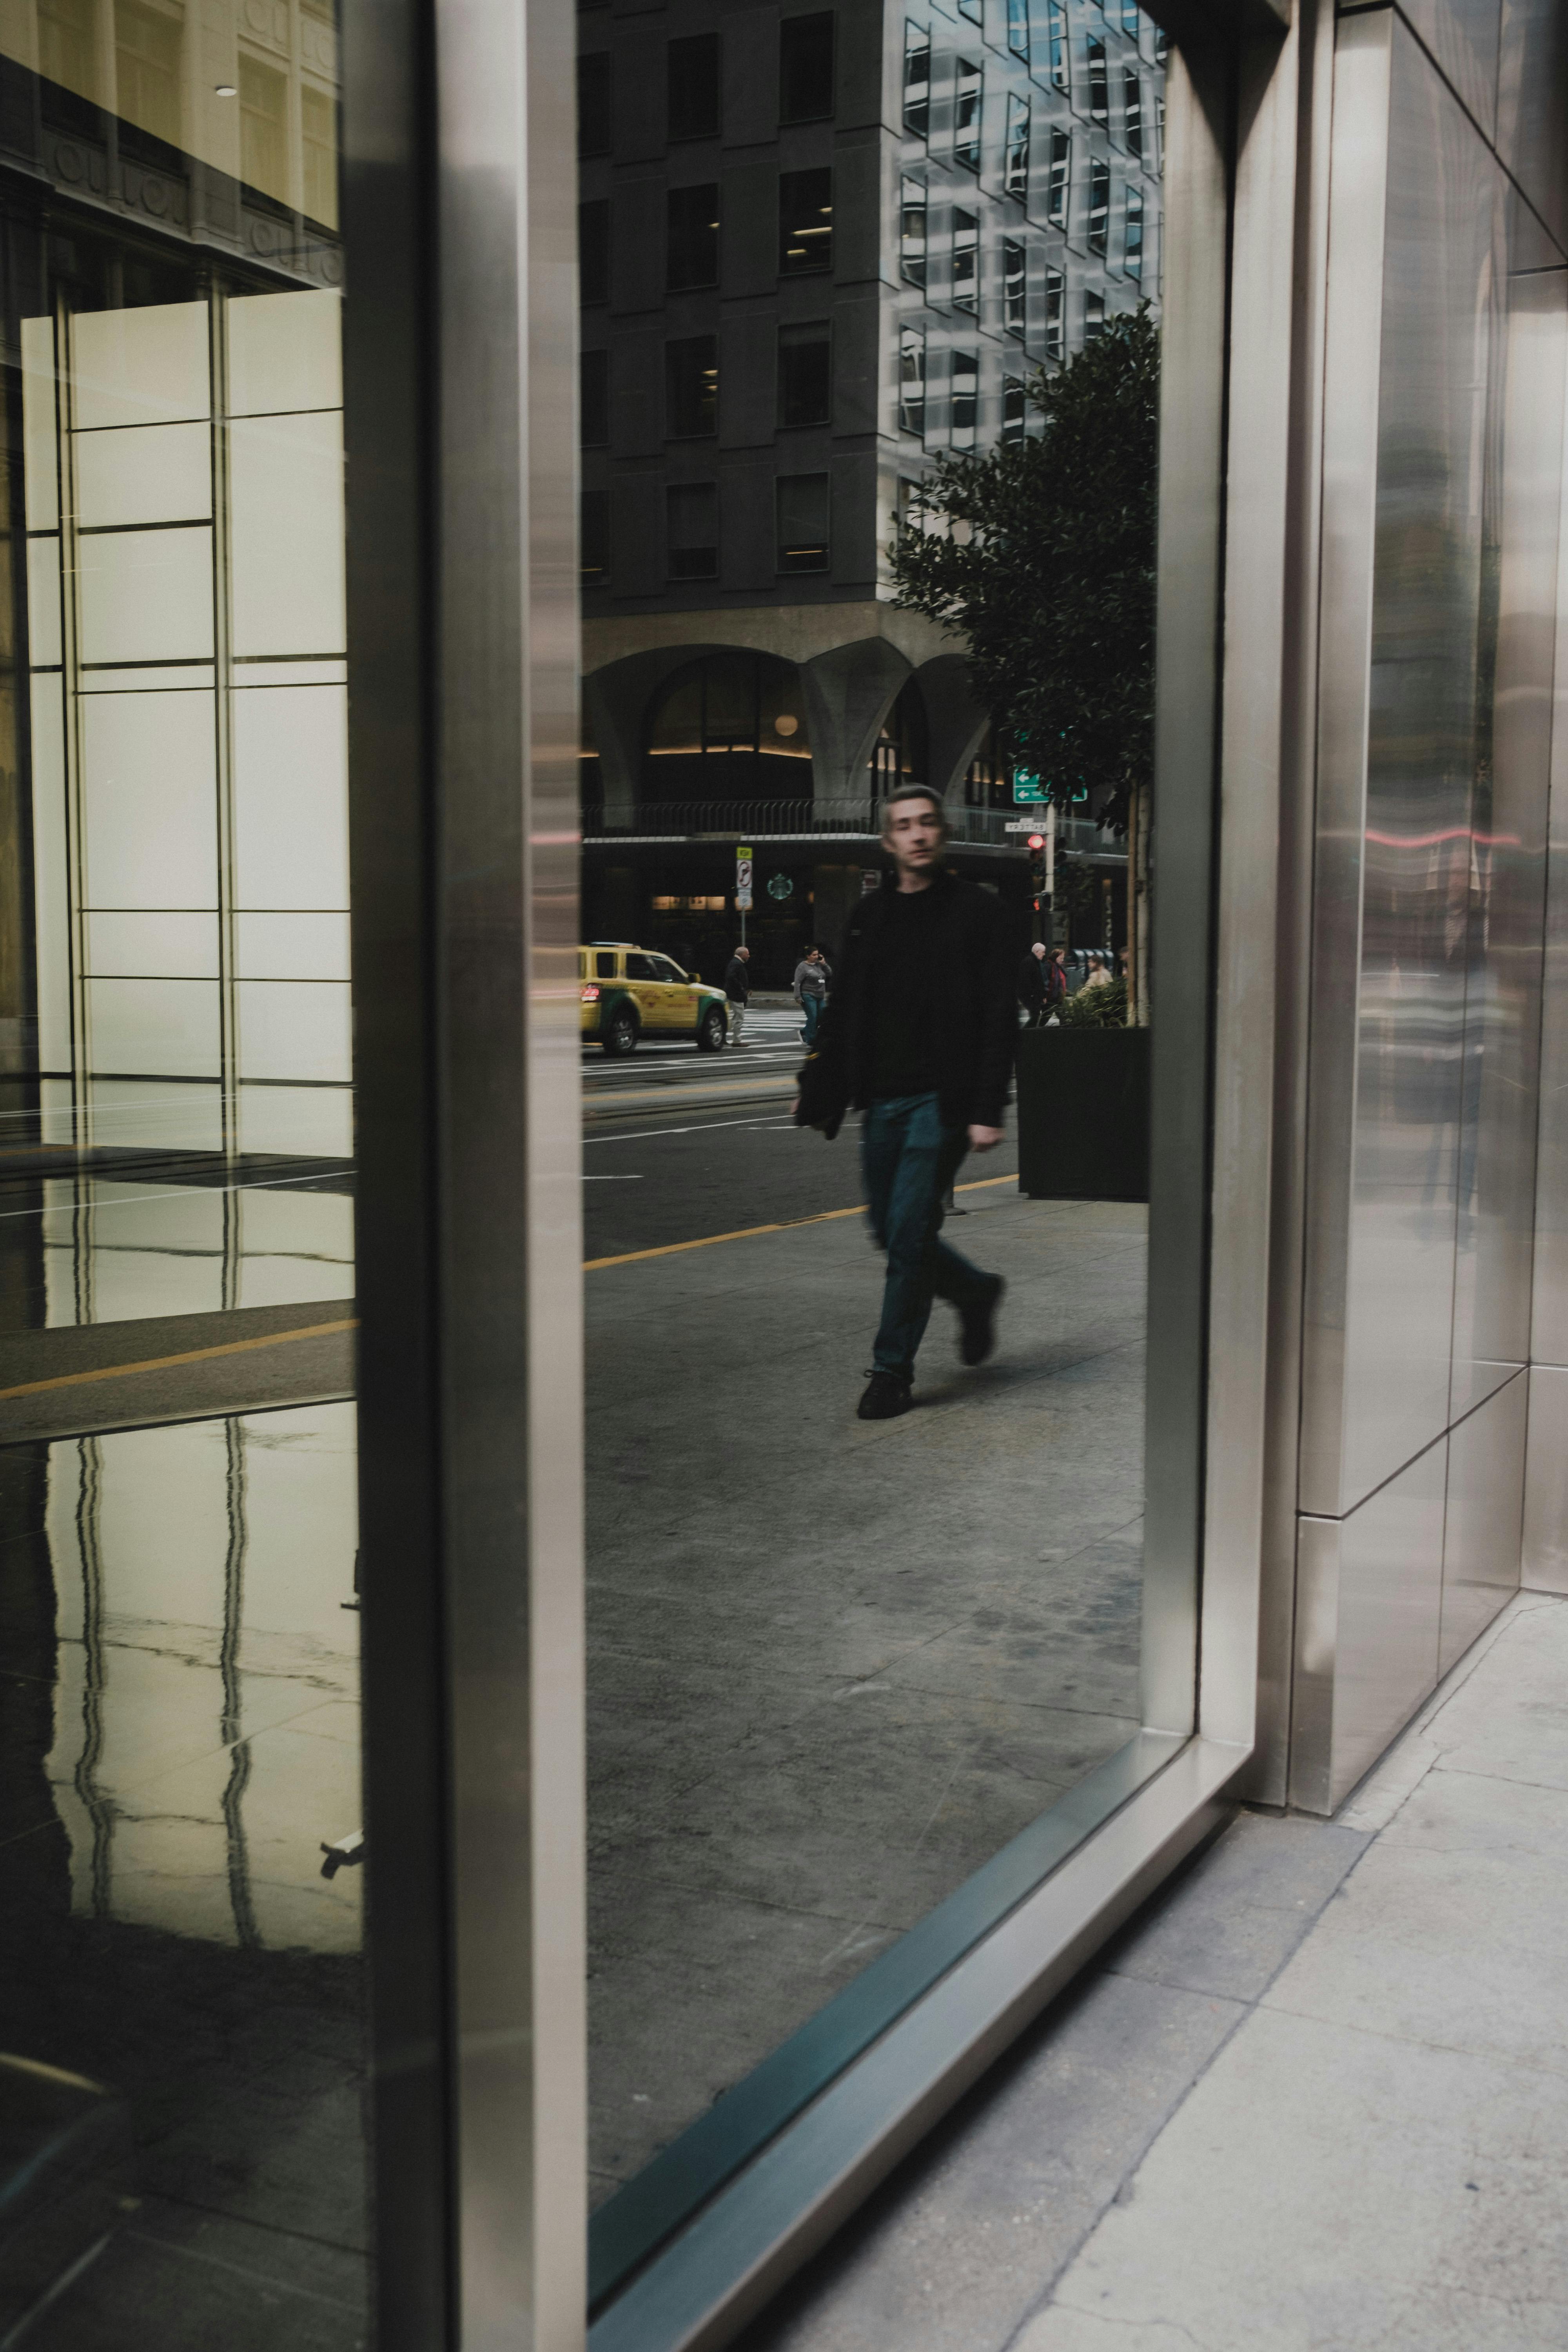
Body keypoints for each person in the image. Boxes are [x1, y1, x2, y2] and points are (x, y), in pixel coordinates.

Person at [794, 786, 1014, 1421]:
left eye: (926, 824)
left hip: (942, 1102)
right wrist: (816, 1087)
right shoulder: (869, 918)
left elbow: (999, 1013)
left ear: (940, 834)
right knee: (888, 1232)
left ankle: (891, 1371)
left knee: (912, 1235)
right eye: (904, 826)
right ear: (889, 842)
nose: (917, 834)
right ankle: (974, 1291)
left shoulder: (979, 913)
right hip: (882, 1101)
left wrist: (987, 1107)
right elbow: (844, 1013)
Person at [793, 944, 830, 1046]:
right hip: (808, 995)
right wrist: (798, 996)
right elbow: (798, 982)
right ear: (808, 956)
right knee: (813, 1017)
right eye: (814, 955)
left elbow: (829, 973)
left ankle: (805, 1031)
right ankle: (812, 1039)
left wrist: (824, 964)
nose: (816, 957)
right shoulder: (803, 967)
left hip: (820, 995)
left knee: (821, 1017)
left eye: (817, 955)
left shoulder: (819, 965)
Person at [1017, 940, 1049, 1027]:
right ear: (1037, 952)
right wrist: (1032, 994)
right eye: (1043, 952)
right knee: (1035, 1015)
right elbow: (1026, 980)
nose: (1044, 954)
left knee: (1035, 1015)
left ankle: (1029, 1033)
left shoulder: (1035, 962)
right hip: (1030, 995)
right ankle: (1027, 1034)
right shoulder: (1029, 962)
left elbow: (1039, 981)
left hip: (1034, 995)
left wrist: (1043, 995)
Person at [724, 944, 751, 1044]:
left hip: (734, 993)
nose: (749, 956)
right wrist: (741, 987)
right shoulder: (737, 964)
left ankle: (724, 1038)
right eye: (747, 954)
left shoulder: (735, 963)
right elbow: (731, 977)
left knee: (734, 1017)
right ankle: (737, 1040)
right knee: (739, 1017)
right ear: (742, 954)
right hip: (736, 995)